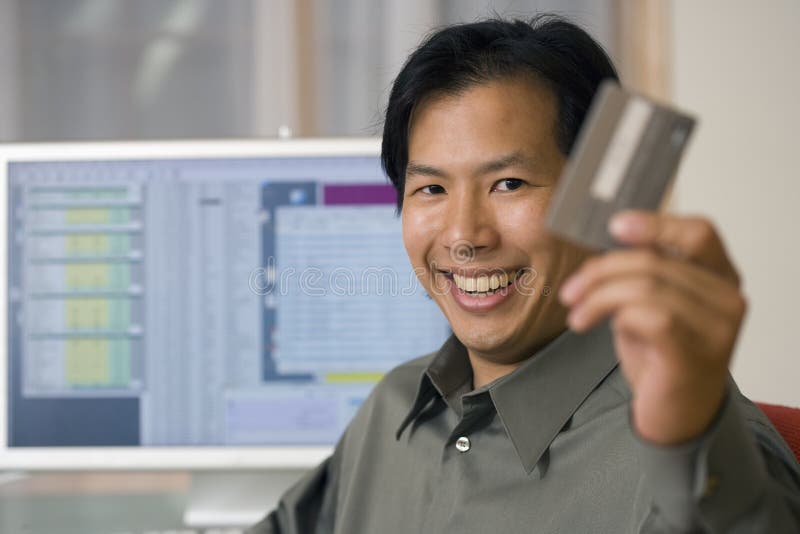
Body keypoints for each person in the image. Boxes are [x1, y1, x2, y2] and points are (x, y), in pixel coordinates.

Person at [248, 14, 800, 533]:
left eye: (508, 183)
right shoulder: (395, 408)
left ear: (595, 203)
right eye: (431, 189)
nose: (464, 235)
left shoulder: (694, 445)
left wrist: (690, 433)